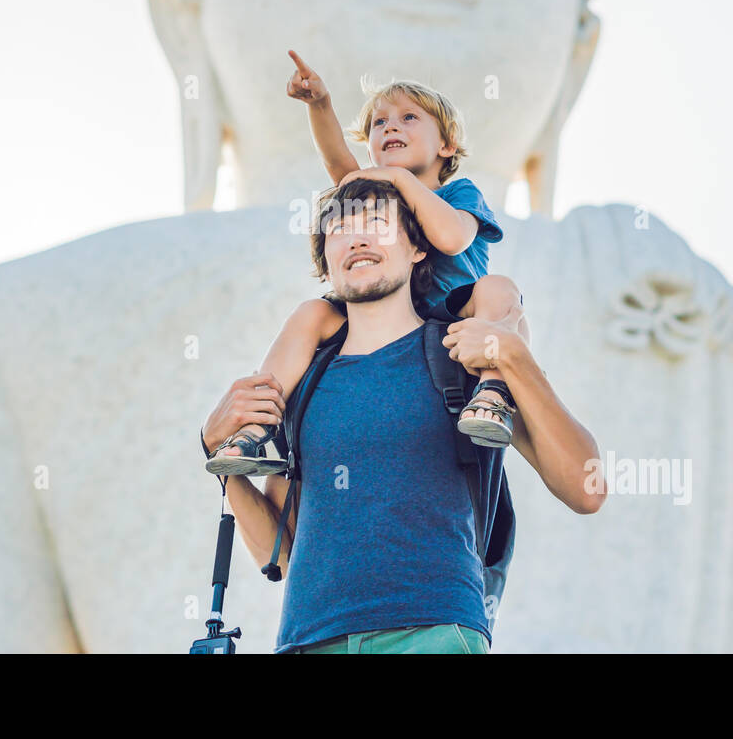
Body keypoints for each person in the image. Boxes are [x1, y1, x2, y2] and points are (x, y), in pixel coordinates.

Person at [200, 177, 604, 653]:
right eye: (339, 228)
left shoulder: (464, 355)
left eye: (377, 222)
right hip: (306, 640)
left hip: (431, 634)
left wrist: (513, 357)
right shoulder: (305, 382)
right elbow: (284, 555)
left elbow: (587, 490)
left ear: (418, 248)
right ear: (325, 260)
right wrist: (217, 458)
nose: (358, 237)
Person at [204, 50, 530, 475]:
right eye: (379, 123)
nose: (391, 125)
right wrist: (320, 105)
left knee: (499, 288)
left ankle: (493, 392)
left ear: (446, 146)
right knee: (312, 313)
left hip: (454, 312)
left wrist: (399, 179)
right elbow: (342, 169)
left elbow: (451, 239)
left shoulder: (460, 193)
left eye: (409, 118)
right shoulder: (381, 194)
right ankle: (257, 424)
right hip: (385, 311)